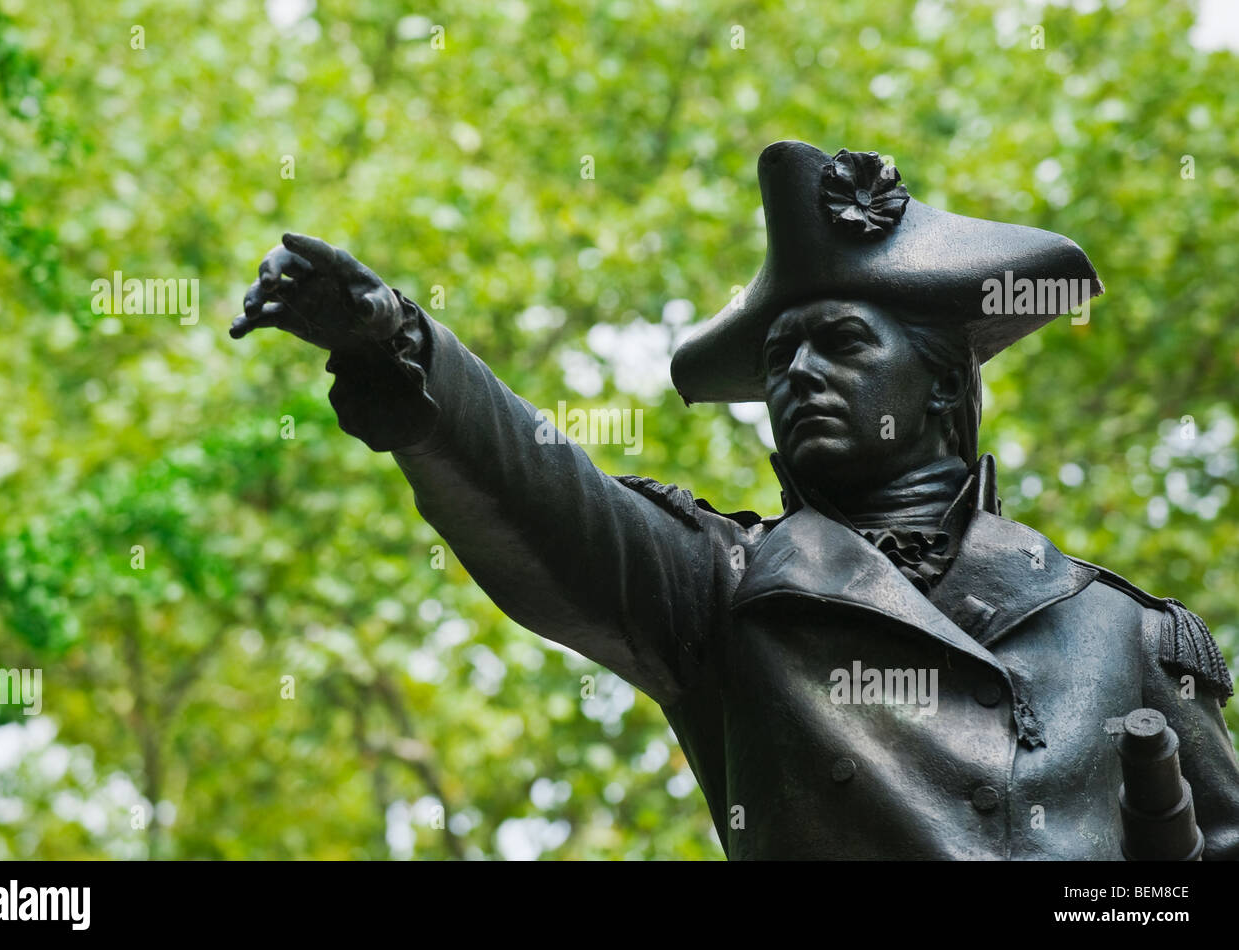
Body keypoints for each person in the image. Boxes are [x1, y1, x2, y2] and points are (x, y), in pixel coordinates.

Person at [232, 139, 1239, 859]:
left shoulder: (1121, 632)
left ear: (940, 383)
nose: (797, 372)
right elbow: (546, 500)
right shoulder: (721, 586)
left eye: (840, 341)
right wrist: (398, 344)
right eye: (777, 356)